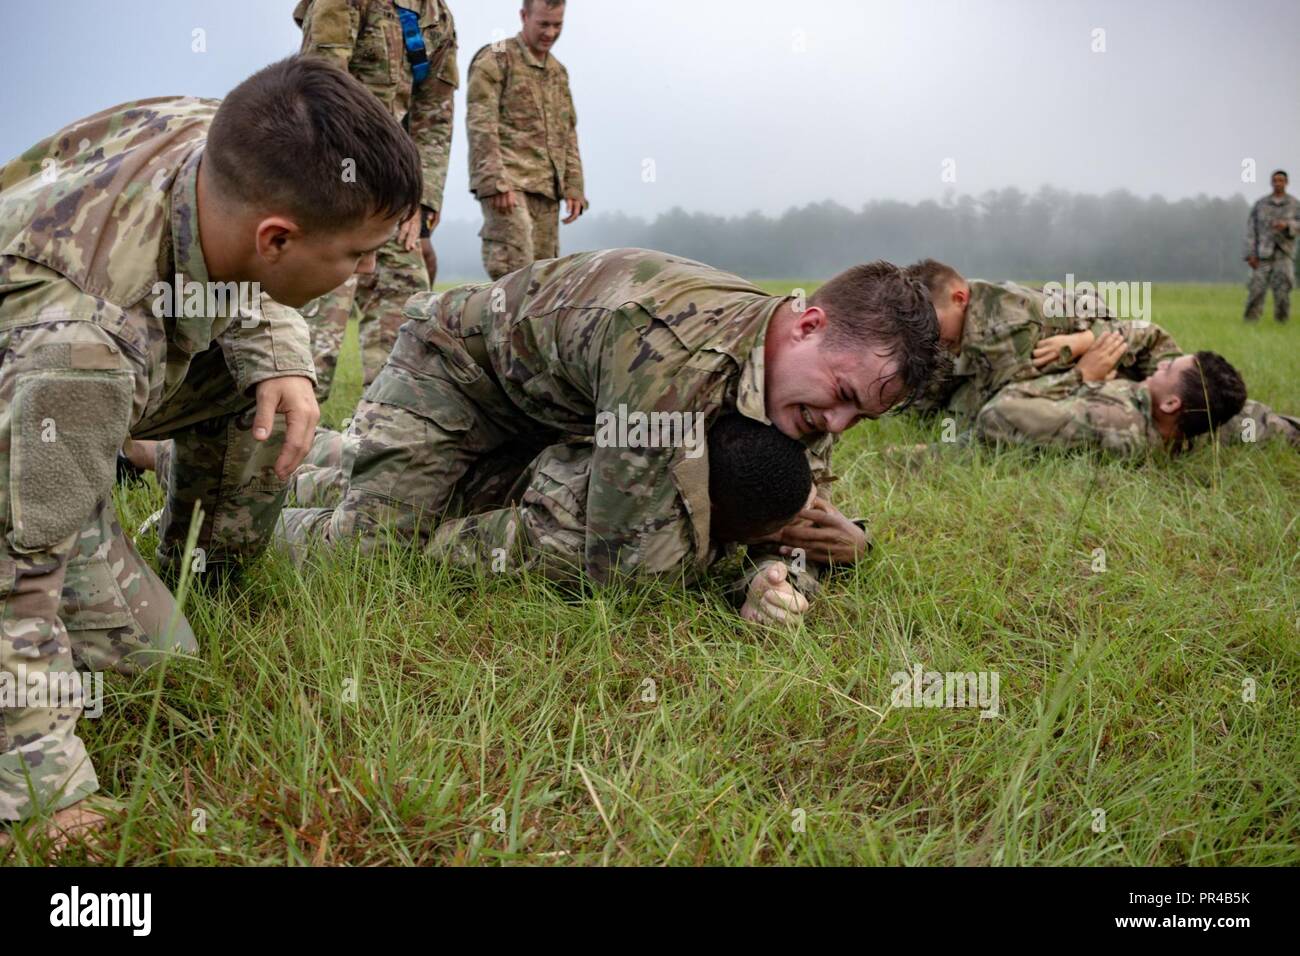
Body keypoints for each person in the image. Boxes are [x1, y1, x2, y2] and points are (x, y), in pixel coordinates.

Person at [0, 56, 422, 845]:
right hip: (37, 403)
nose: (367, 272)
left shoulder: (233, 137)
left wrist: (283, 355)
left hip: (63, 389)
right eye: (357, 257)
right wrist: (43, 793)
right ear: (278, 238)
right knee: (143, 663)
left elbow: (239, 264)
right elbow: (12, 584)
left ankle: (202, 558)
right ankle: (87, 476)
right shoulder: (81, 342)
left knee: (262, 380)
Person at [272, 248, 939, 620]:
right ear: (808, 325)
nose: (839, 425)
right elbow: (625, 569)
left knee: (467, 498)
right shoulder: (672, 354)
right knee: (370, 558)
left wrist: (806, 561)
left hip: (558, 415)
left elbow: (788, 507)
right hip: (459, 372)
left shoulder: (805, 391)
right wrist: (745, 568)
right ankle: (229, 499)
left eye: (861, 418)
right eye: (844, 397)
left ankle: (293, 453)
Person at [907, 260, 1294, 449]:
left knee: (1226, 420)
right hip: (1119, 388)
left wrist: (1084, 357)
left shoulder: (1011, 323)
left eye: (932, 321)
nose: (927, 333)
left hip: (1122, 389)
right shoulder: (961, 333)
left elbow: (1004, 417)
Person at [294, 0, 460, 398]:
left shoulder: (437, 17)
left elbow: (434, 114)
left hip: (391, 192)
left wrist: (419, 200)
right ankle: (277, 446)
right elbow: (320, 91)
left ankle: (385, 441)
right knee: (311, 339)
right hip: (333, 186)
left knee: (410, 323)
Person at [467, 0, 586, 280]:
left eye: (558, 25)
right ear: (524, 16)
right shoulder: (496, 57)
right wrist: (495, 182)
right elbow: (481, 123)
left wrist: (574, 187)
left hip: (546, 191)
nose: (550, 33)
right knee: (514, 280)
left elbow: (568, 132)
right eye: (543, 24)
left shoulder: (558, 72)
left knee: (544, 285)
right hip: (507, 188)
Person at [1244, 170, 1299, 324]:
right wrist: (1250, 254)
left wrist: (1288, 225)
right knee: (1256, 290)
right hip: (1263, 254)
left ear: (1286, 183)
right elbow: (1251, 230)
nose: (1278, 183)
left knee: (1283, 292)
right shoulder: (1260, 204)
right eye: (1275, 180)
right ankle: (1250, 322)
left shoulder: (1294, 204)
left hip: (1284, 254)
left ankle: (1282, 323)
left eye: (1281, 180)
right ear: (1271, 182)